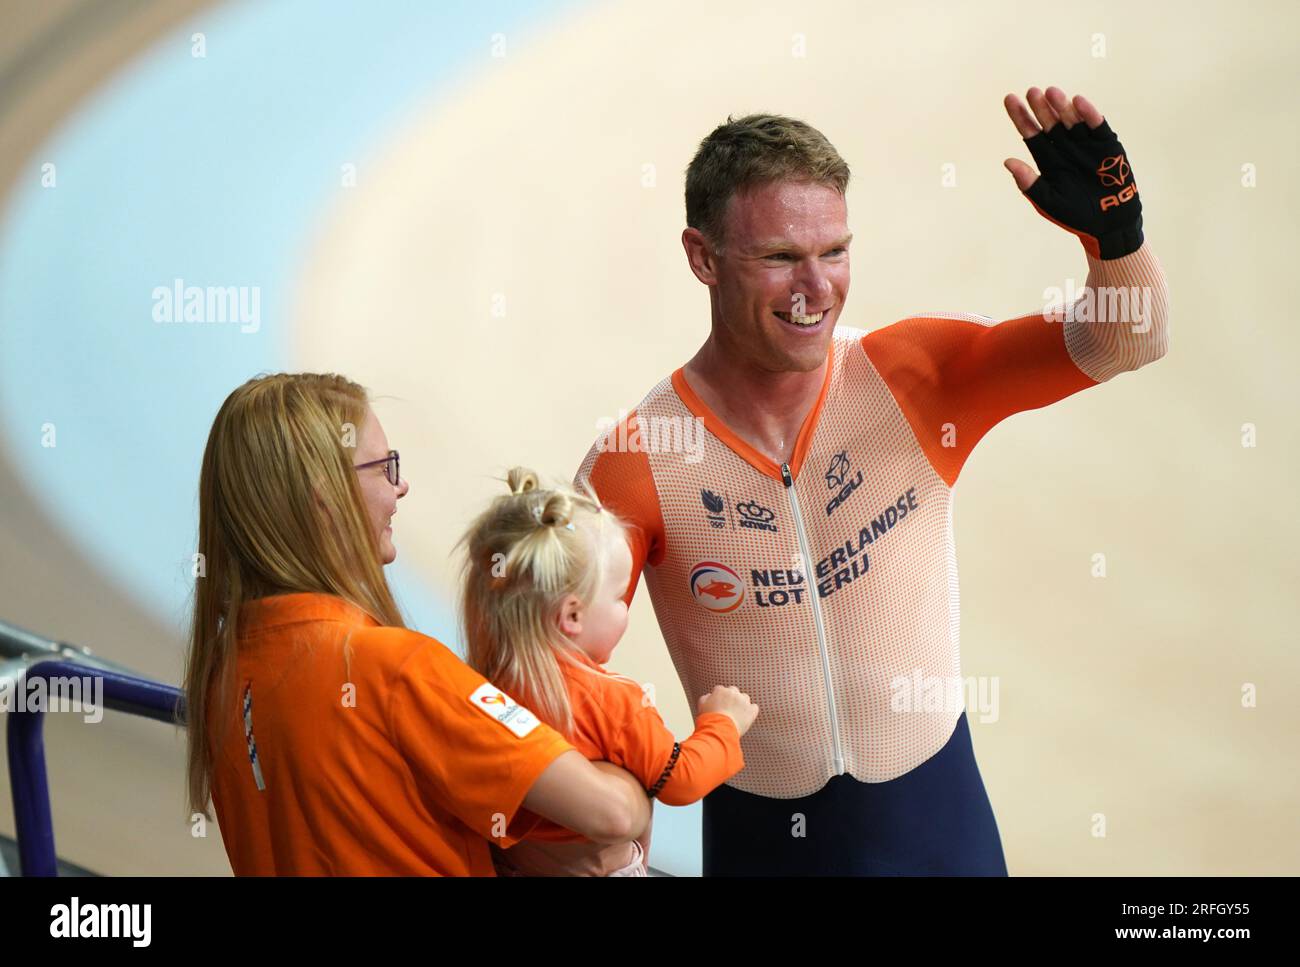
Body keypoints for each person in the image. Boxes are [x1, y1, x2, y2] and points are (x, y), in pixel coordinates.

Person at [573, 87, 1169, 875]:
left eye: (835, 251)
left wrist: (1116, 240)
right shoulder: (639, 458)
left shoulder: (911, 379)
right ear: (702, 257)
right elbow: (552, 668)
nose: (815, 286)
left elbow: (1129, 340)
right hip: (762, 847)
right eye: (780, 257)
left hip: (941, 833)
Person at [182, 372, 651, 875]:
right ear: (326, 497)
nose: (400, 486)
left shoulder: (222, 674)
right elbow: (612, 813)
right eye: (385, 468)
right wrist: (639, 769)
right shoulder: (398, 669)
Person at [457, 467, 758, 876]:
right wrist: (723, 723)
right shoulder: (613, 702)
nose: (624, 608)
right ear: (572, 616)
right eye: (618, 597)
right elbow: (681, 779)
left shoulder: (481, 686)